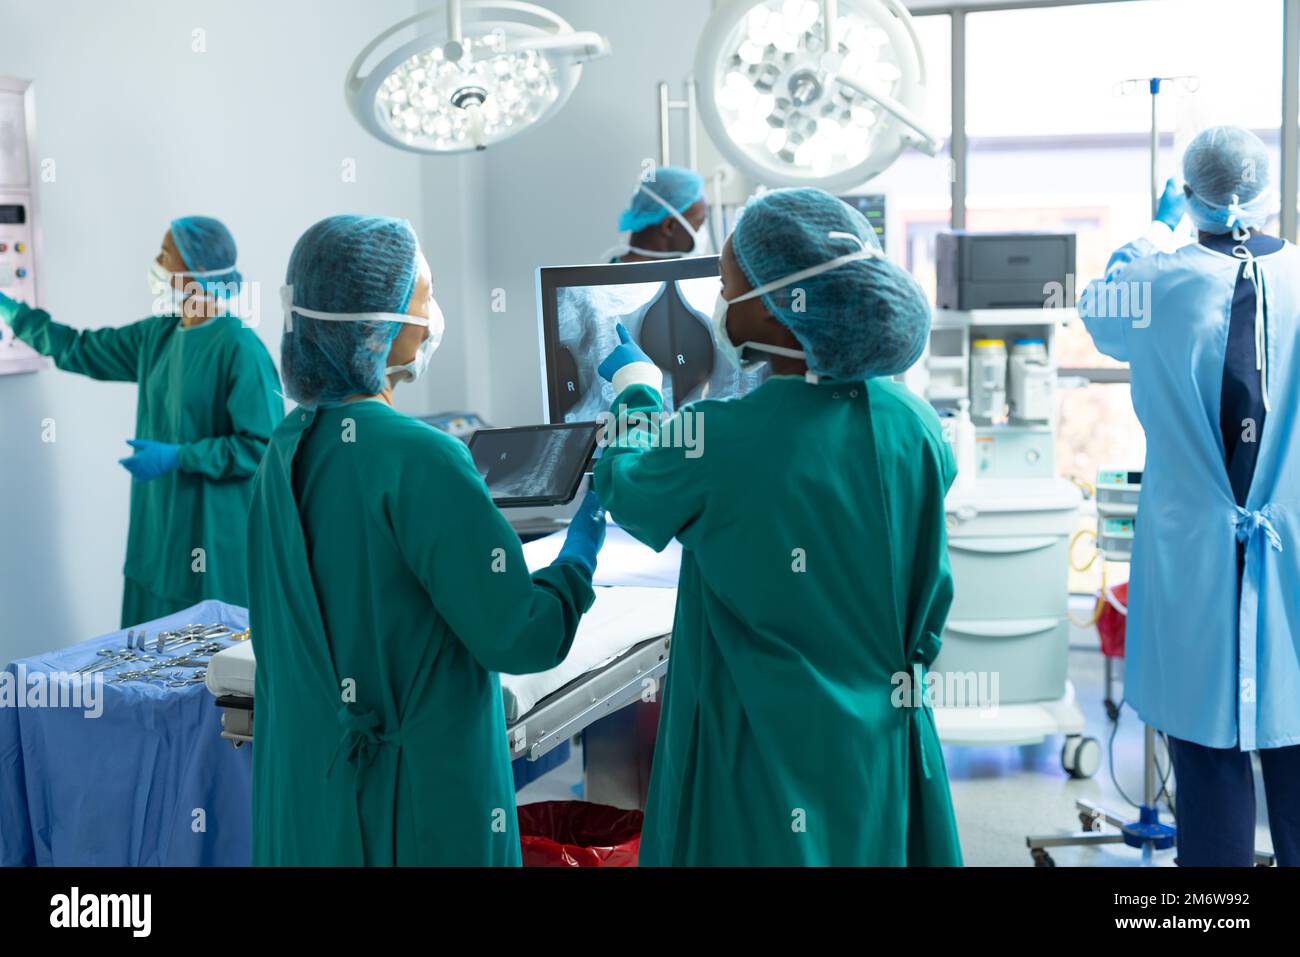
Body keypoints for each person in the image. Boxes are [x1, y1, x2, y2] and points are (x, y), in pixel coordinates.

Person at [593, 187, 962, 865]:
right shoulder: (914, 426)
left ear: (775, 304)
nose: (719, 302)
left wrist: (636, 392)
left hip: (760, 746)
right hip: (882, 736)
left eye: (728, 285)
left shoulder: (722, 439)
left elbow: (627, 485)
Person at [245, 215, 606, 866]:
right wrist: (579, 554)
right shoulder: (419, 457)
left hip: (311, 794)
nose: (434, 315)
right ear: (376, 325)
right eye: (424, 295)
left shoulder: (282, 450)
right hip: (414, 807)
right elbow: (520, 635)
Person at [1081, 126, 1300, 867]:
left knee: (1206, 746)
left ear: (1192, 193)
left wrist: (1155, 228)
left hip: (1192, 551)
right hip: (1290, 548)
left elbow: (1096, 309)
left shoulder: (1154, 283)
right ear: (1266, 195)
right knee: (1295, 730)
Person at [0, 216, 282, 626]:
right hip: (156, 539)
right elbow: (79, 348)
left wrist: (180, 457)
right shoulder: (158, 336)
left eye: (165, 254)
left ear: (197, 271)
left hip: (210, 543)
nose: (157, 264)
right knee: (144, 649)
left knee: (204, 652)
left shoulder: (239, 348)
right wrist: (13, 312)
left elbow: (263, 448)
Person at [604, 165, 710, 263]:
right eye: (699, 223)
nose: (701, 232)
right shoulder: (613, 278)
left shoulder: (673, 274)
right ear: (669, 226)